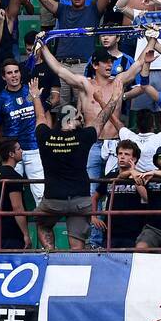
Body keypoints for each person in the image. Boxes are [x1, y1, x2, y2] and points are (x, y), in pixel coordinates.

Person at [33, 78, 121, 250]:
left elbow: (40, 117)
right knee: (77, 244)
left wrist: (36, 96)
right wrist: (115, 98)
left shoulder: (45, 136)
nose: (81, 121)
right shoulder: (84, 136)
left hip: (53, 200)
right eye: (78, 118)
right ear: (71, 120)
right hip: (80, 200)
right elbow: (101, 119)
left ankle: (51, 253)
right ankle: (76, 268)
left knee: (42, 224)